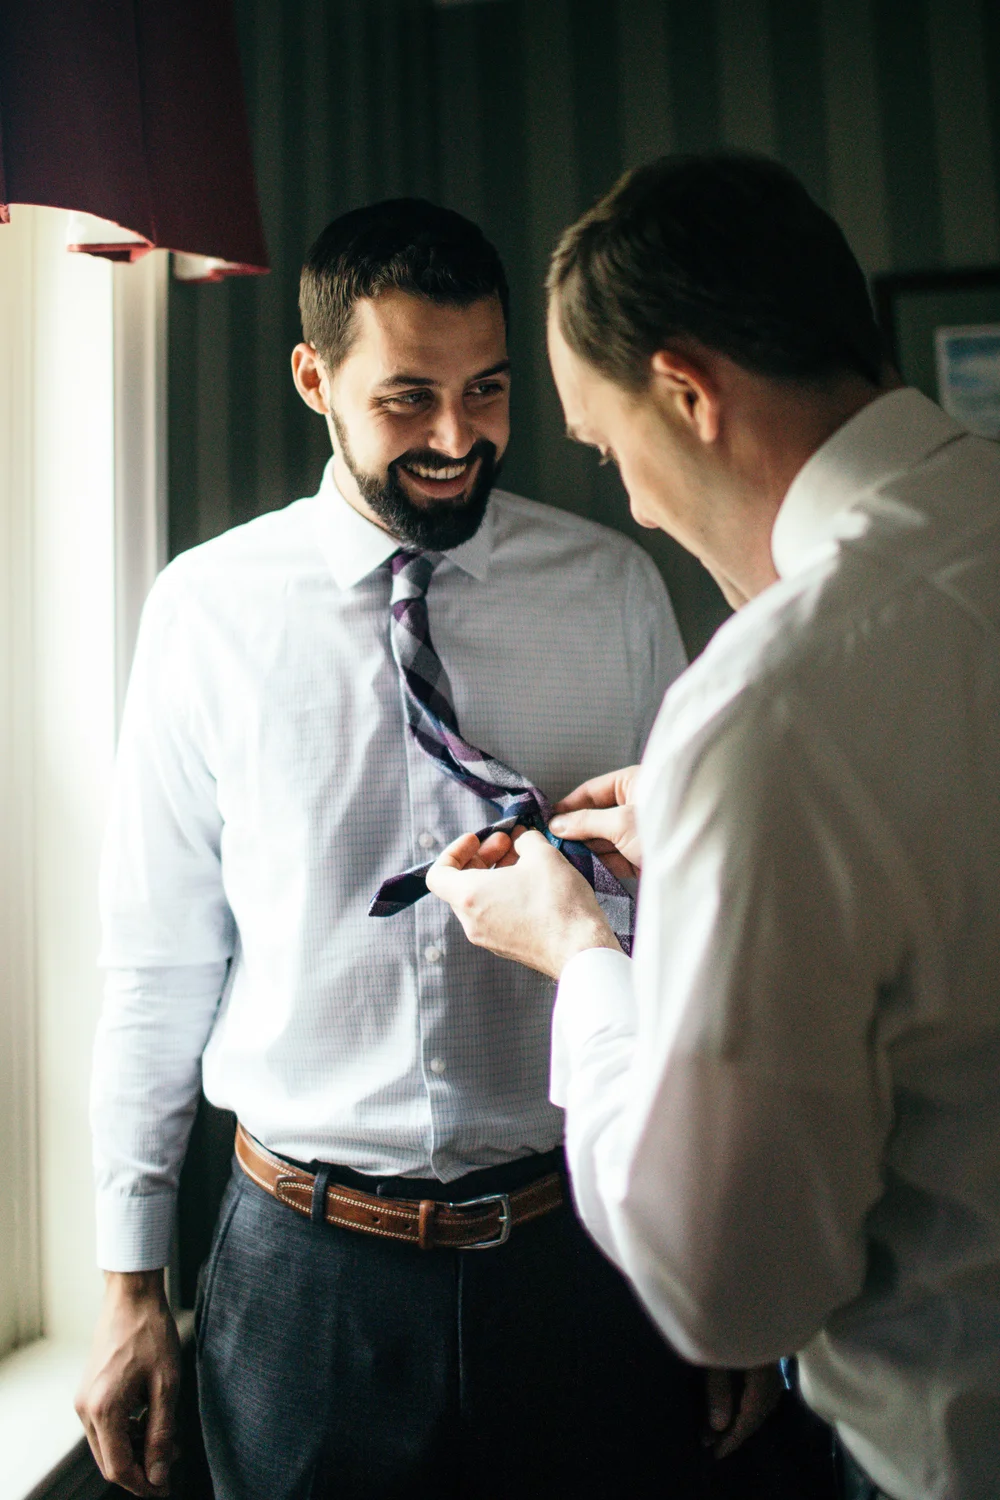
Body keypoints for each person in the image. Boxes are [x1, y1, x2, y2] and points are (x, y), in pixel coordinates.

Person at [73, 198, 818, 1500]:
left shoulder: (614, 587)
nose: (460, 436)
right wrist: (129, 1283)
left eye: (487, 389)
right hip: (304, 1277)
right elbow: (154, 965)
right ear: (316, 378)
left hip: (588, 1242)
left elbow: (705, 936)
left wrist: (733, 1260)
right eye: (408, 397)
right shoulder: (206, 614)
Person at [426, 154, 1000, 1500]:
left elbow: (728, 1287)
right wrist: (723, 826)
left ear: (687, 395)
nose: (629, 498)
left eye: (611, 448)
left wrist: (585, 962)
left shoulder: (773, 701)